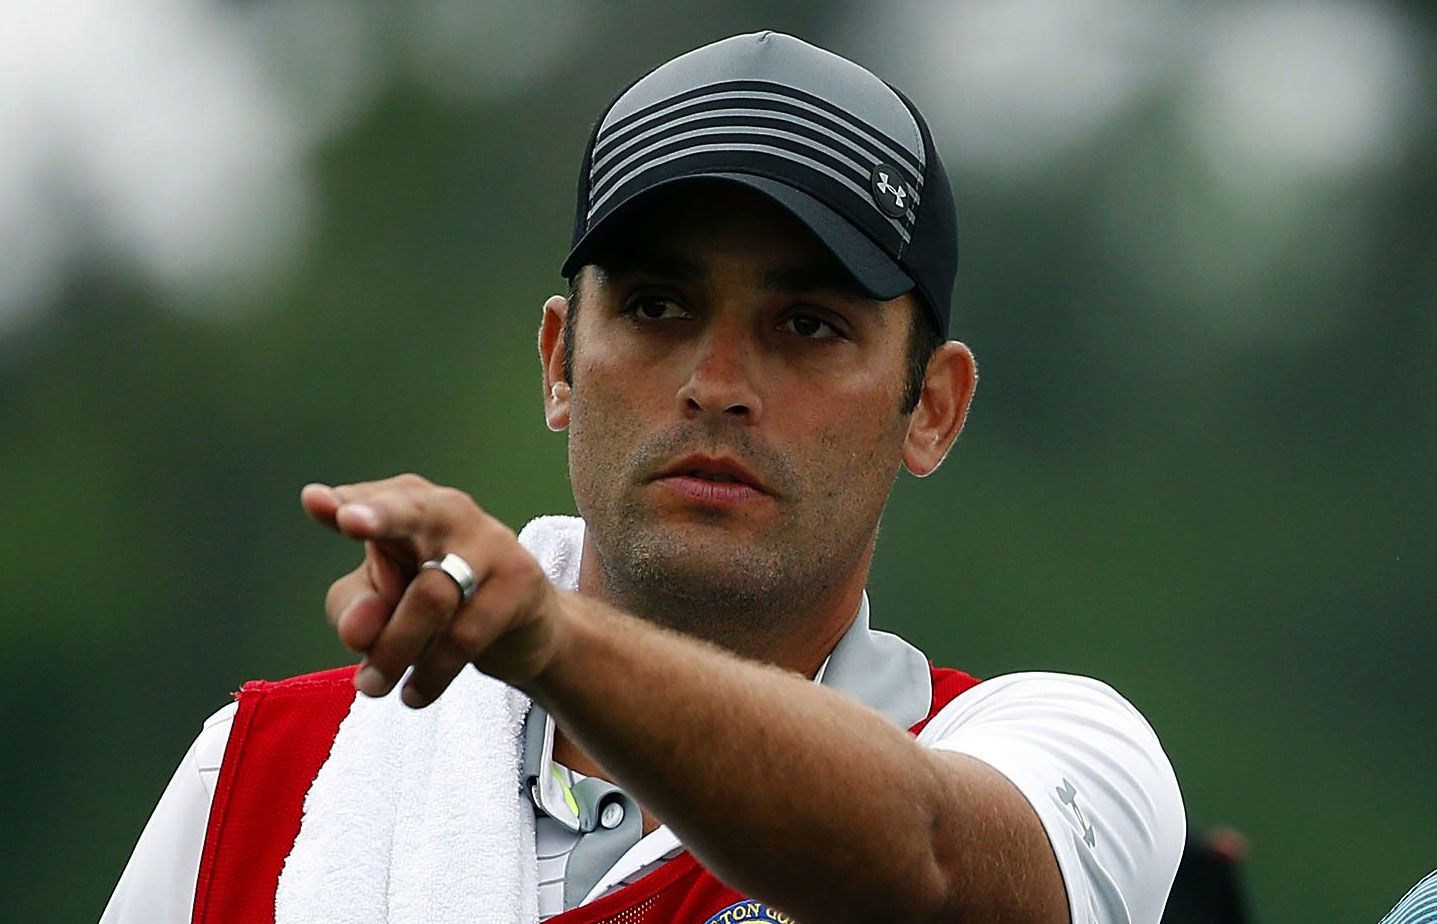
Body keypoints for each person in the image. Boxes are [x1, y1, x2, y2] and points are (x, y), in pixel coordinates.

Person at [102, 31, 1185, 924]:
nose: (717, 384)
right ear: (559, 363)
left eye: (807, 325)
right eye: (658, 308)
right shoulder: (253, 778)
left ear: (933, 407)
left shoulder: (1059, 753)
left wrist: (552, 647)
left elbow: (930, 869)